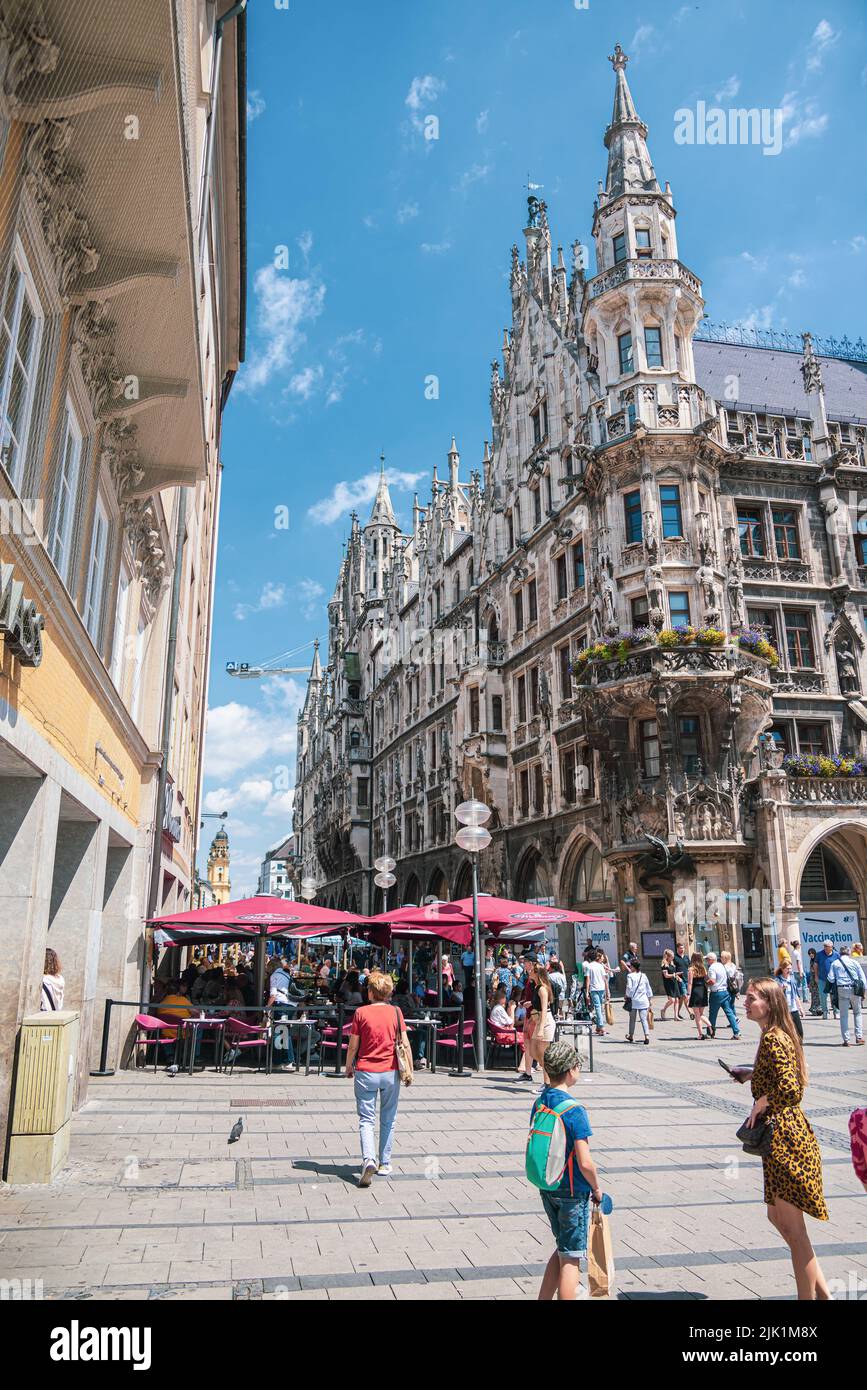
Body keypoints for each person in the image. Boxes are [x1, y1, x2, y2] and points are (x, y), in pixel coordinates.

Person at [731, 979, 829, 1300]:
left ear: (769, 1003)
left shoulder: (774, 1039)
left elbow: (791, 1089)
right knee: (777, 1217)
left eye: (751, 998)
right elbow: (779, 1075)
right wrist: (750, 1073)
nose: (744, 1003)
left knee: (794, 1230)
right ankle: (824, 1294)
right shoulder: (771, 1037)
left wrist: (762, 1101)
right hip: (779, 1139)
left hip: (786, 1138)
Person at [531, 1040, 603, 1302]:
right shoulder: (574, 1110)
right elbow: (585, 1162)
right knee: (572, 1257)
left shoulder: (540, 1102)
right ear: (572, 1070)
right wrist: (596, 1187)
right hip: (573, 1192)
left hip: (548, 1186)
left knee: (563, 1248)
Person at [345, 970, 409, 1186]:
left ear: (371, 992)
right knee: (388, 1118)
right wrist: (409, 1069)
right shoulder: (396, 1012)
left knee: (366, 1119)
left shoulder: (361, 1013)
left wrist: (348, 1066)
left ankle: (368, 1159)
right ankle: (385, 1162)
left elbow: (353, 1044)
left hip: (365, 1071)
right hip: (390, 1072)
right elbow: (405, 1041)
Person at [519, 960, 556, 1084]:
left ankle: (547, 1083)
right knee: (534, 1051)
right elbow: (538, 1005)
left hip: (545, 1022)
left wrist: (540, 1028)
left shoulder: (542, 989)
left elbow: (545, 1009)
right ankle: (548, 1076)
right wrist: (530, 1003)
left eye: (531, 971)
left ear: (537, 974)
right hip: (539, 1020)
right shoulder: (536, 987)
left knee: (542, 1054)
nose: (529, 972)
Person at [825, 947, 866, 1046]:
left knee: (844, 1016)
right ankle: (859, 1037)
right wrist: (864, 992)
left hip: (842, 989)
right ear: (849, 953)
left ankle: (846, 1040)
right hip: (855, 990)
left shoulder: (835, 963)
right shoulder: (855, 963)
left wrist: (828, 990)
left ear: (840, 953)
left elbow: (830, 978)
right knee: (857, 1013)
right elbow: (863, 978)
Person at [267, 958, 297, 1073]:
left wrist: (266, 1009)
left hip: (281, 1004)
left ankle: (283, 1061)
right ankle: (284, 1061)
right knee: (284, 1031)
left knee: (280, 1032)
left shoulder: (274, 976)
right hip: (291, 1005)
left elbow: (273, 995)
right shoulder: (286, 974)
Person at [393, 976, 427, 1069]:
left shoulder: (397, 998)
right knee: (420, 1033)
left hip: (409, 1022)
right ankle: (417, 1058)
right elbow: (412, 1009)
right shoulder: (399, 998)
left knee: (422, 1032)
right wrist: (415, 1002)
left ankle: (420, 1057)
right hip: (403, 1024)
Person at [706, 951, 741, 1040]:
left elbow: (713, 981)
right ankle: (737, 1032)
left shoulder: (711, 968)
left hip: (716, 993)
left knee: (712, 1014)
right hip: (725, 992)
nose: (706, 961)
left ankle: (710, 1033)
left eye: (707, 960)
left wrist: (705, 982)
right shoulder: (721, 965)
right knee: (729, 1012)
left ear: (710, 960)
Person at [624, 958, 653, 1044]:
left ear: (633, 967)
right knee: (643, 1019)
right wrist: (650, 999)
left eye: (630, 966)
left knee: (632, 1019)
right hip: (643, 1000)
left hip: (634, 1000)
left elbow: (629, 987)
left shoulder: (630, 976)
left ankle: (631, 1036)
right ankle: (647, 1036)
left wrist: (627, 995)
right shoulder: (643, 975)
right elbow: (648, 988)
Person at [776, 959, 804, 1040]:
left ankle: (798, 1047)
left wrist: (800, 1008)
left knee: (799, 1032)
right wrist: (781, 989)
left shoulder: (792, 979)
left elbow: (795, 995)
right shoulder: (778, 980)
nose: (789, 970)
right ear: (782, 968)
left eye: (790, 968)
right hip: (784, 1010)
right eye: (787, 968)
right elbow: (775, 995)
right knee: (786, 1031)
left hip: (793, 1008)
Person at [585, 950, 610, 1037]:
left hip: (594, 989)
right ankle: (599, 1027)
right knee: (600, 1007)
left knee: (598, 1007)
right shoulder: (600, 966)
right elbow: (605, 979)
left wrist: (587, 991)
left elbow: (588, 979)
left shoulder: (589, 966)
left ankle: (602, 1027)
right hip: (601, 988)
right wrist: (607, 991)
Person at [687, 953, 710, 1040]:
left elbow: (690, 983)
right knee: (701, 1013)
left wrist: (688, 994)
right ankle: (709, 1025)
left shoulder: (691, 969)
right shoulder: (704, 968)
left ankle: (701, 1034)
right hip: (703, 990)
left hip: (695, 991)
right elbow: (707, 979)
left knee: (697, 1014)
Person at [816, 940, 841, 1020]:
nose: (825, 948)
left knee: (834, 996)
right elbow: (815, 965)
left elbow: (840, 966)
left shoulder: (836, 955)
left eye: (827, 947)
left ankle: (836, 1012)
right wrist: (816, 976)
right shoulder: (819, 954)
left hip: (834, 979)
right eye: (824, 946)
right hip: (822, 979)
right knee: (823, 997)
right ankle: (825, 1012)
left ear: (831, 947)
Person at [673, 941, 691, 1020]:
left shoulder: (686, 957)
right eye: (680, 948)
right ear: (677, 949)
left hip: (687, 979)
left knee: (681, 998)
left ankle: (677, 1013)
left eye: (683, 948)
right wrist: (676, 976)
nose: (682, 949)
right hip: (680, 980)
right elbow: (672, 969)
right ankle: (691, 1013)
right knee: (685, 996)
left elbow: (690, 967)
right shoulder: (675, 957)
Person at [659, 949, 679, 1020]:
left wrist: (678, 977)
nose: (673, 958)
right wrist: (674, 975)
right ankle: (663, 1010)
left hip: (674, 982)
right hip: (668, 984)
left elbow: (674, 974)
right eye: (672, 957)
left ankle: (676, 1016)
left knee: (677, 1000)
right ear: (667, 957)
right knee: (672, 1000)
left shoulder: (672, 964)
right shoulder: (664, 965)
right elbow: (666, 975)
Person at [807, 947, 821, 1016]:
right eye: (809, 953)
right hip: (812, 980)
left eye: (812, 953)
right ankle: (814, 1009)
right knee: (814, 995)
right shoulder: (811, 960)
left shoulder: (816, 960)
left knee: (818, 995)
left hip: (816, 978)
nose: (811, 954)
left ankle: (818, 1009)